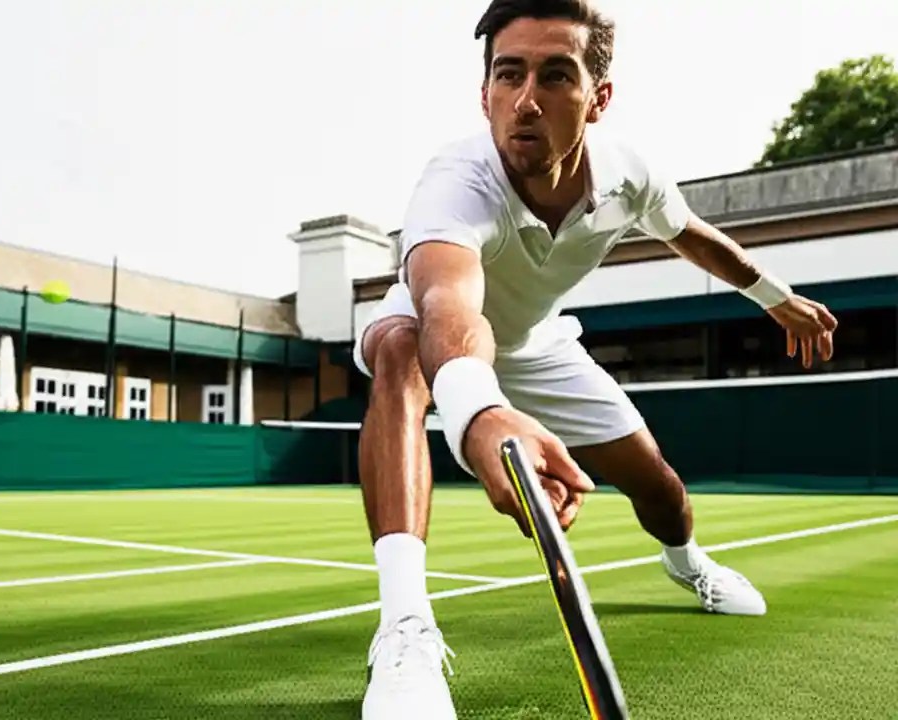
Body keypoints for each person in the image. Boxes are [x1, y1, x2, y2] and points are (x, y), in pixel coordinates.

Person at [354, 1, 840, 717]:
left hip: (542, 344)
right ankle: (404, 630)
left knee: (663, 490)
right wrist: (482, 411)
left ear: (598, 99)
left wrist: (777, 297)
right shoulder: (454, 183)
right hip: (442, 336)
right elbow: (446, 309)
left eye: (555, 76)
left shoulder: (626, 175)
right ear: (483, 93)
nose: (526, 100)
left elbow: (695, 236)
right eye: (508, 75)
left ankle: (688, 563)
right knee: (398, 347)